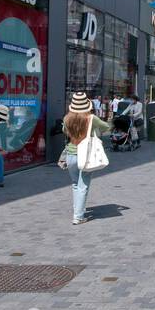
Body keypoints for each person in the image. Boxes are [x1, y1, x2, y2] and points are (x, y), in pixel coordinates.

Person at [62, 91, 110, 225]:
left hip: (70, 154)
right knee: (83, 185)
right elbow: (106, 126)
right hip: (85, 155)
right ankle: (78, 216)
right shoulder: (91, 118)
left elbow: (65, 131)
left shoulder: (67, 118)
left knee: (75, 184)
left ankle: (78, 208)